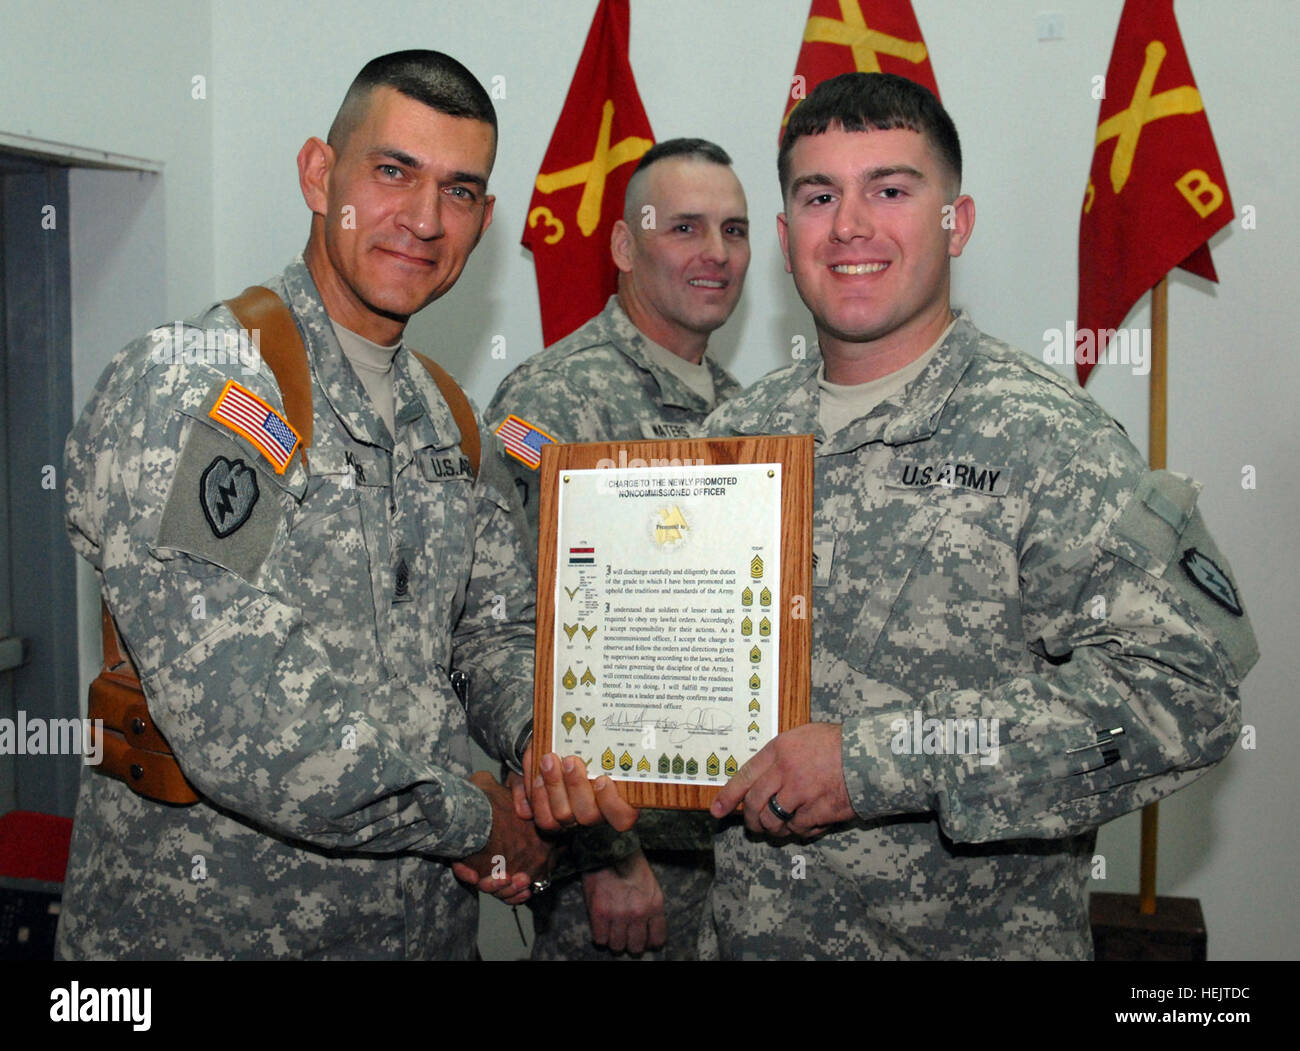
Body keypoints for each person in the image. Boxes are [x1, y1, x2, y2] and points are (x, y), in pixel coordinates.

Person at [703, 73, 1258, 959]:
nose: (850, 225)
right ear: (784, 236)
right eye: (819, 196)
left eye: (889, 189)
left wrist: (873, 762)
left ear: (954, 224)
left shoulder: (1052, 440)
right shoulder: (731, 439)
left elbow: (1183, 693)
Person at [58, 50, 555, 960]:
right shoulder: (209, 387)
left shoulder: (452, 421)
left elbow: (494, 634)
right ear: (320, 176)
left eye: (459, 190)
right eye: (394, 171)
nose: (423, 219)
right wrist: (472, 819)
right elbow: (248, 720)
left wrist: (547, 754)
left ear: (483, 219)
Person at [486, 139, 751, 958]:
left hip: (743, 861)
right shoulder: (552, 402)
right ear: (625, 247)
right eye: (685, 227)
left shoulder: (753, 416)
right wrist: (607, 853)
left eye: (734, 230)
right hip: (628, 873)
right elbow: (505, 632)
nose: (716, 253)